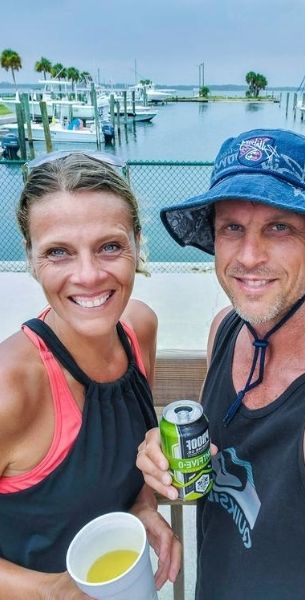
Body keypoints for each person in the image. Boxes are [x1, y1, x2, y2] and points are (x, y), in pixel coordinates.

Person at [136, 129, 305, 599]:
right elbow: (217, 455)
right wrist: (163, 456)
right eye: (232, 227)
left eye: (280, 228)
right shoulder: (226, 330)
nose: (249, 256)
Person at [0, 152, 181, 598]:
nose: (89, 275)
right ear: (30, 258)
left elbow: (132, 446)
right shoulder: (11, 389)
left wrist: (142, 504)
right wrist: (52, 591)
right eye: (58, 252)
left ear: (138, 244)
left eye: (110, 246)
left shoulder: (139, 329)